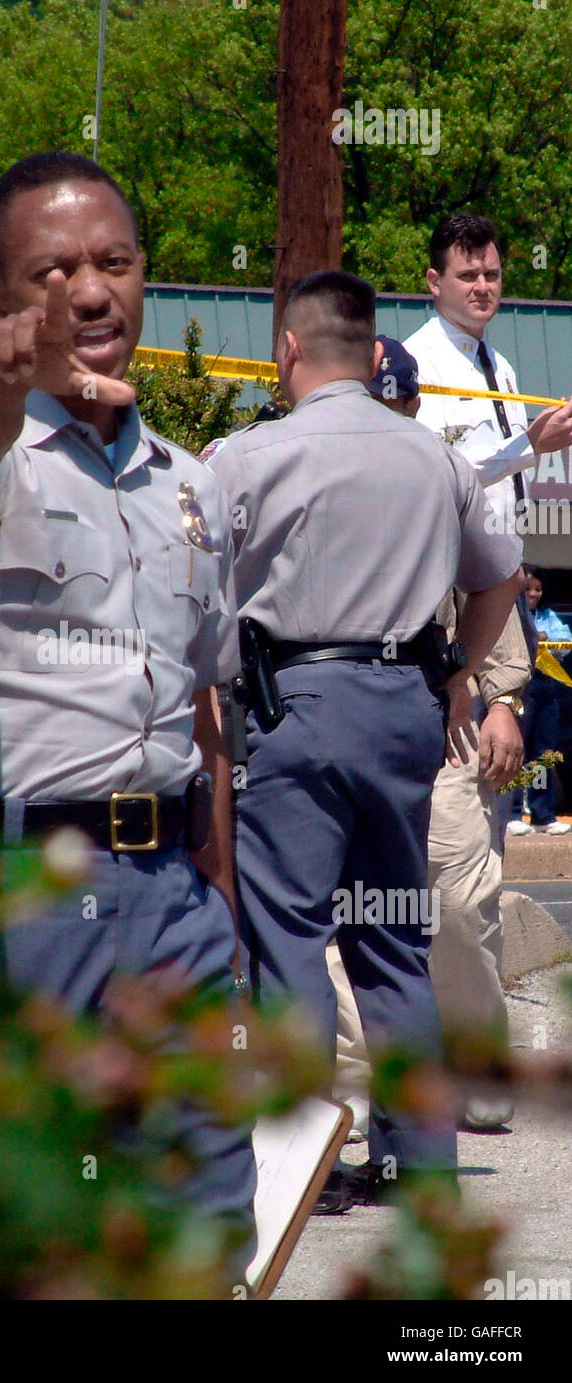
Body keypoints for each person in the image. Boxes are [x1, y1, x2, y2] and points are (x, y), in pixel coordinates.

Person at [0, 151, 255, 1255]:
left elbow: (201, 706)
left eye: (114, 261)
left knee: (204, 1220)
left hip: (170, 899)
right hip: (9, 902)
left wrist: (218, 906)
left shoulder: (193, 481)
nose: (91, 290)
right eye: (53, 271)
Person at [207, 271, 524, 1202]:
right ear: (367, 347)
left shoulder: (246, 457)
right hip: (403, 707)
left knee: (290, 936)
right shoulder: (436, 458)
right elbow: (500, 576)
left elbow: (192, 587)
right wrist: (459, 669)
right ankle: (418, 1164)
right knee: (392, 936)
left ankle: (302, 1167)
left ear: (289, 352)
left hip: (291, 705)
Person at [331, 338, 532, 1154]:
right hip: (338, 725)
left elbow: (499, 586)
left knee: (451, 906)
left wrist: (503, 702)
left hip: (444, 714)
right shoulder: (311, 483)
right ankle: (352, 1092)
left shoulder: (447, 486)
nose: (385, 418)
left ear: (414, 408)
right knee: (341, 911)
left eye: (397, 403)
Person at [404, 214, 572, 536]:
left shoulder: (501, 366)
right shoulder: (415, 363)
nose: (482, 287)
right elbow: (437, 476)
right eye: (468, 276)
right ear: (434, 282)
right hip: (450, 574)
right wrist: (531, 445)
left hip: (507, 566)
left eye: (491, 274)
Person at [507, 565, 572, 835]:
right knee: (516, 749)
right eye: (527, 589)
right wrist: (536, 636)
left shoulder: (549, 616)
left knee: (543, 752)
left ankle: (543, 815)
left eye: (538, 589)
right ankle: (512, 813)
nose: (533, 594)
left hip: (548, 689)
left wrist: (545, 637)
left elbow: (565, 639)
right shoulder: (511, 616)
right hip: (521, 687)